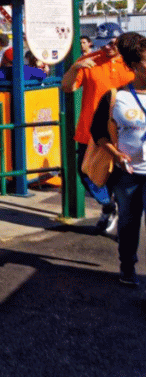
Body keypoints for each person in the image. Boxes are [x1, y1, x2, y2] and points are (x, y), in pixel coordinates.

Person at [89, 31, 146, 286]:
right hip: (128, 174)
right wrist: (116, 153)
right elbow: (98, 131)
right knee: (129, 222)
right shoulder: (116, 96)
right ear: (135, 65)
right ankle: (127, 266)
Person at [62, 36, 131, 233]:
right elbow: (67, 87)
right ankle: (108, 206)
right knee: (86, 171)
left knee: (120, 177)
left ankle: (120, 220)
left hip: (123, 131)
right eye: (106, 42)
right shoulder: (89, 60)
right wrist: (76, 68)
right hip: (91, 130)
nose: (109, 46)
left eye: (114, 43)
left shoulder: (131, 62)